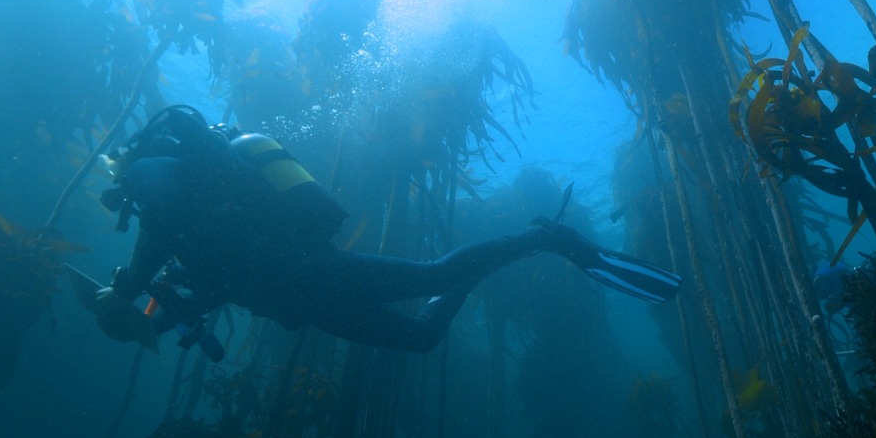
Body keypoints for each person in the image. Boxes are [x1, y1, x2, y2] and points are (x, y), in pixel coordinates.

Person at [90, 105, 681, 356]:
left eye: (117, 174)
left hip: (301, 269)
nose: (123, 189)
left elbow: (160, 227)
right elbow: (205, 286)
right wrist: (146, 319)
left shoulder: (150, 172)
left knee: (434, 272)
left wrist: (124, 288)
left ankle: (544, 238)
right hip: (296, 297)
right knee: (423, 337)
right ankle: (497, 262)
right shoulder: (188, 216)